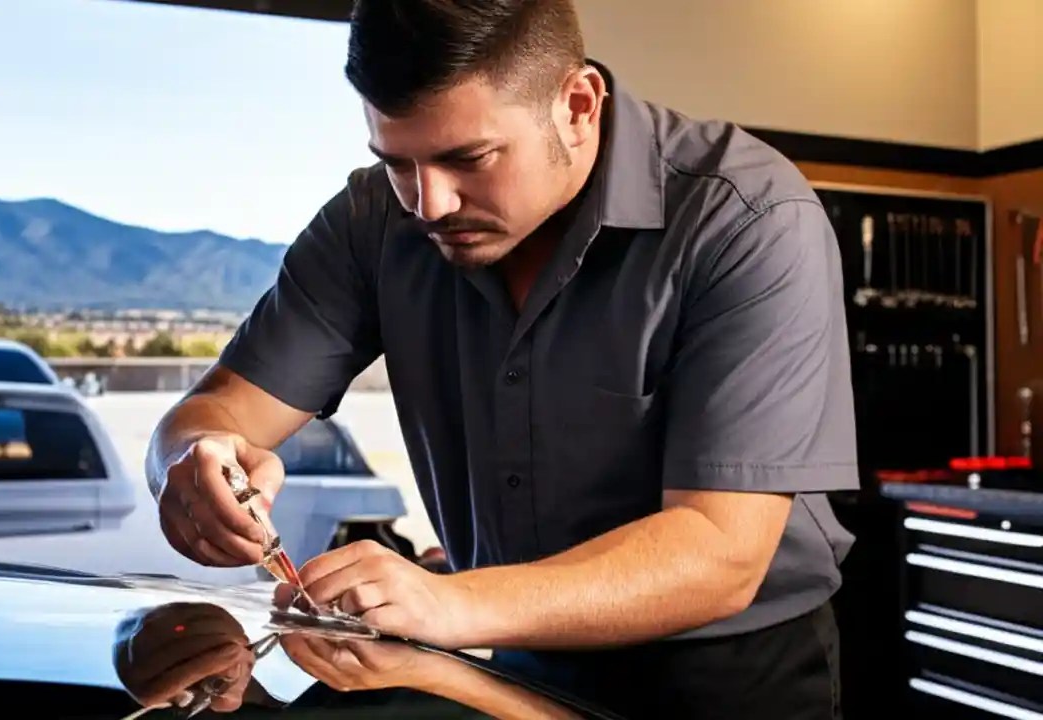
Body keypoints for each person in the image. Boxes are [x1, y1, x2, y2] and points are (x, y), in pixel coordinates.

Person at [145, 1, 859, 717]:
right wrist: (194, 460)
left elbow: (719, 553)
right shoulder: (373, 221)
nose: (428, 203)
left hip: (729, 678)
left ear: (577, 105)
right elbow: (212, 414)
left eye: (468, 158)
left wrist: (446, 602)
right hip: (507, 652)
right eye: (396, 163)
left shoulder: (750, 219)